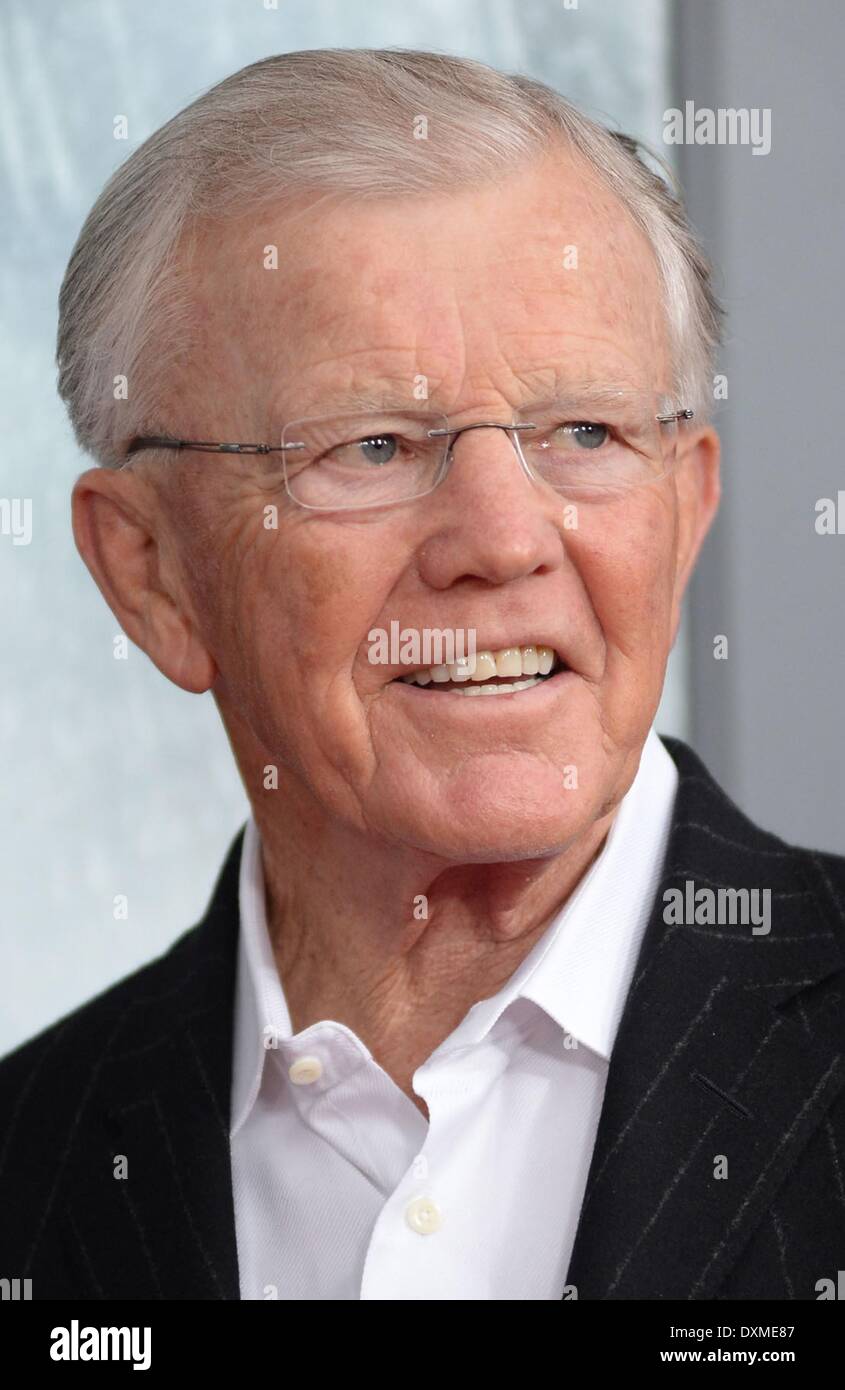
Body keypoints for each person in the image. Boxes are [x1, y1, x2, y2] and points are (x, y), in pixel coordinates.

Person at [1, 49, 843, 1301]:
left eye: (583, 433)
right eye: (375, 446)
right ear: (153, 574)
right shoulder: (31, 1160)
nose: (503, 538)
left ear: (683, 513)